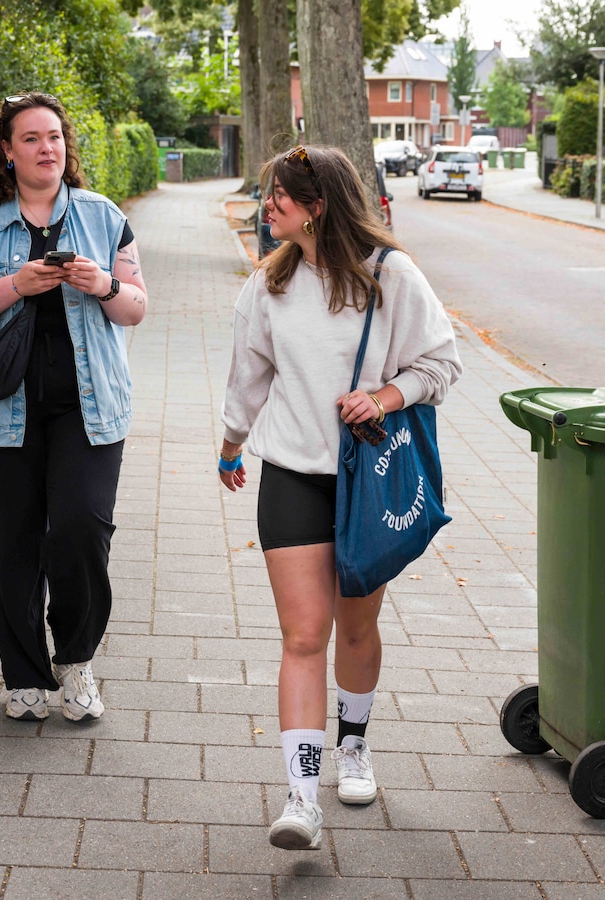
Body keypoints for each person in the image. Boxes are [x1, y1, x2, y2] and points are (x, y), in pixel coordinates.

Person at [219, 145, 461, 850]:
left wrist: (384, 396)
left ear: (318, 205)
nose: (266, 206)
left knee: (355, 629)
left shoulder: (390, 275)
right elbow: (248, 375)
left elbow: (441, 363)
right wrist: (231, 443)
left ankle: (353, 749)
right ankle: (301, 799)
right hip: (291, 475)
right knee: (302, 637)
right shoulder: (268, 283)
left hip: (367, 478)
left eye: (278, 195)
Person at [0, 92, 148, 723]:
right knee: (15, 540)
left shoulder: (103, 216)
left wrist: (104, 284)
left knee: (82, 529)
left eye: (53, 136)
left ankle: (76, 660)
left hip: (89, 407)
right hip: (0, 410)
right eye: (30, 138)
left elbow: (136, 306)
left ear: (65, 145)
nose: (45, 148)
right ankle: (23, 674)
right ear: (6, 150)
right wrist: (15, 284)